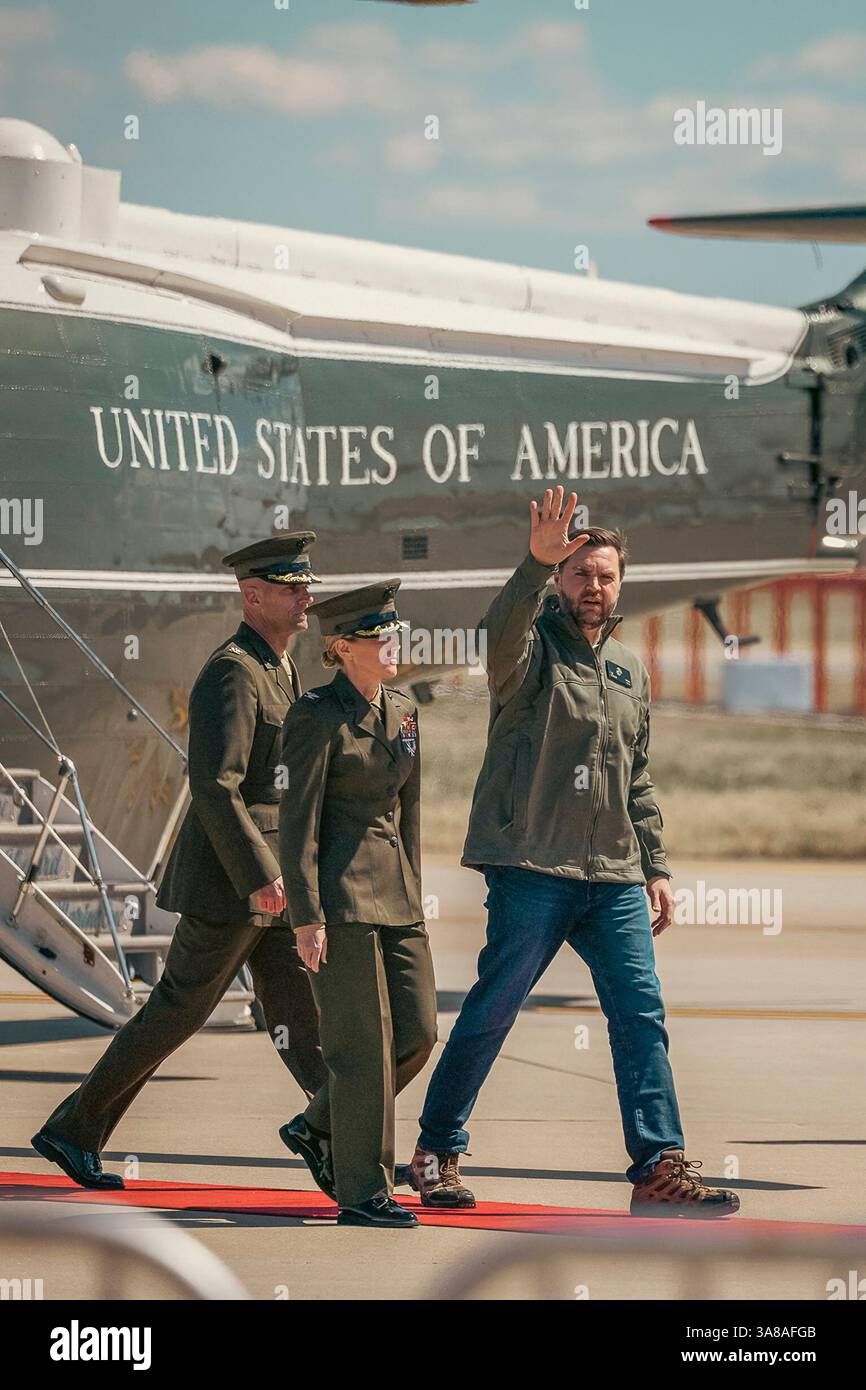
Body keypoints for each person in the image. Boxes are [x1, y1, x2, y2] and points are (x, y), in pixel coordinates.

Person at [404, 487, 740, 1218]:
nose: (594, 586)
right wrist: (532, 562)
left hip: (613, 872)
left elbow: (637, 772)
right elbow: (496, 635)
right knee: (494, 1007)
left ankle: (658, 1163)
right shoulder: (527, 653)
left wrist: (655, 864)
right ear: (561, 580)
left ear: (622, 583)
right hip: (532, 865)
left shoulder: (628, 669)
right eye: (581, 573)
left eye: (606, 575)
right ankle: (435, 1149)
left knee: (641, 1011)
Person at [32, 534, 328, 1190]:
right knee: (178, 1009)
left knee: (297, 1014)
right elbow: (215, 785)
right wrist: (260, 873)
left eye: (306, 583)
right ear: (253, 596)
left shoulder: (280, 666)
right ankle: (73, 1129)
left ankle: (335, 1136)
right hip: (232, 883)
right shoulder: (233, 670)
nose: (306, 594)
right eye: (291, 586)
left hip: (268, 881)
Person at [278, 581, 437, 1229]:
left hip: (396, 893)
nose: (394, 643)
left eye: (395, 632)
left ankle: (318, 1127)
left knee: (418, 1031)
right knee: (360, 1049)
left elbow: (412, 812)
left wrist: (417, 893)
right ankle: (363, 1190)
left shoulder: (403, 711)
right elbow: (297, 823)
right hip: (339, 899)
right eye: (380, 636)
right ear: (343, 648)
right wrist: (306, 916)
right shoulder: (314, 716)